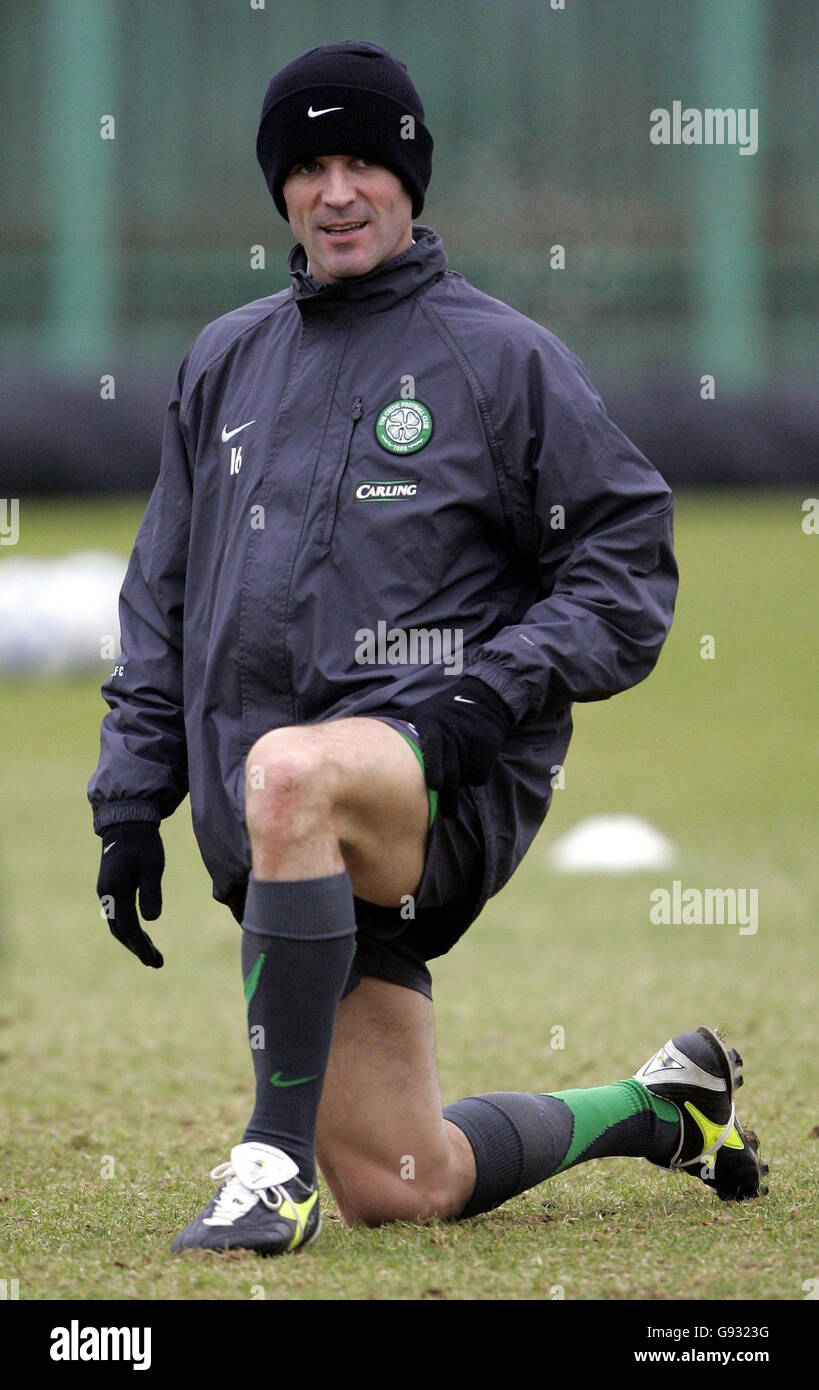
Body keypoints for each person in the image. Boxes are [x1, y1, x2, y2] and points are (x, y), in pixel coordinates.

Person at [88, 41, 766, 1256]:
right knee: (404, 1183)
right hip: (285, 838)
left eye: (363, 162)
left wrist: (482, 697)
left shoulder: (498, 358)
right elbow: (163, 603)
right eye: (308, 166)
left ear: (411, 180)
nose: (337, 191)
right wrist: (132, 800)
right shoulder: (224, 362)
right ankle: (665, 1106)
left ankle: (267, 1167)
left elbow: (626, 559)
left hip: (435, 779)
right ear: (280, 191)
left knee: (294, 768)